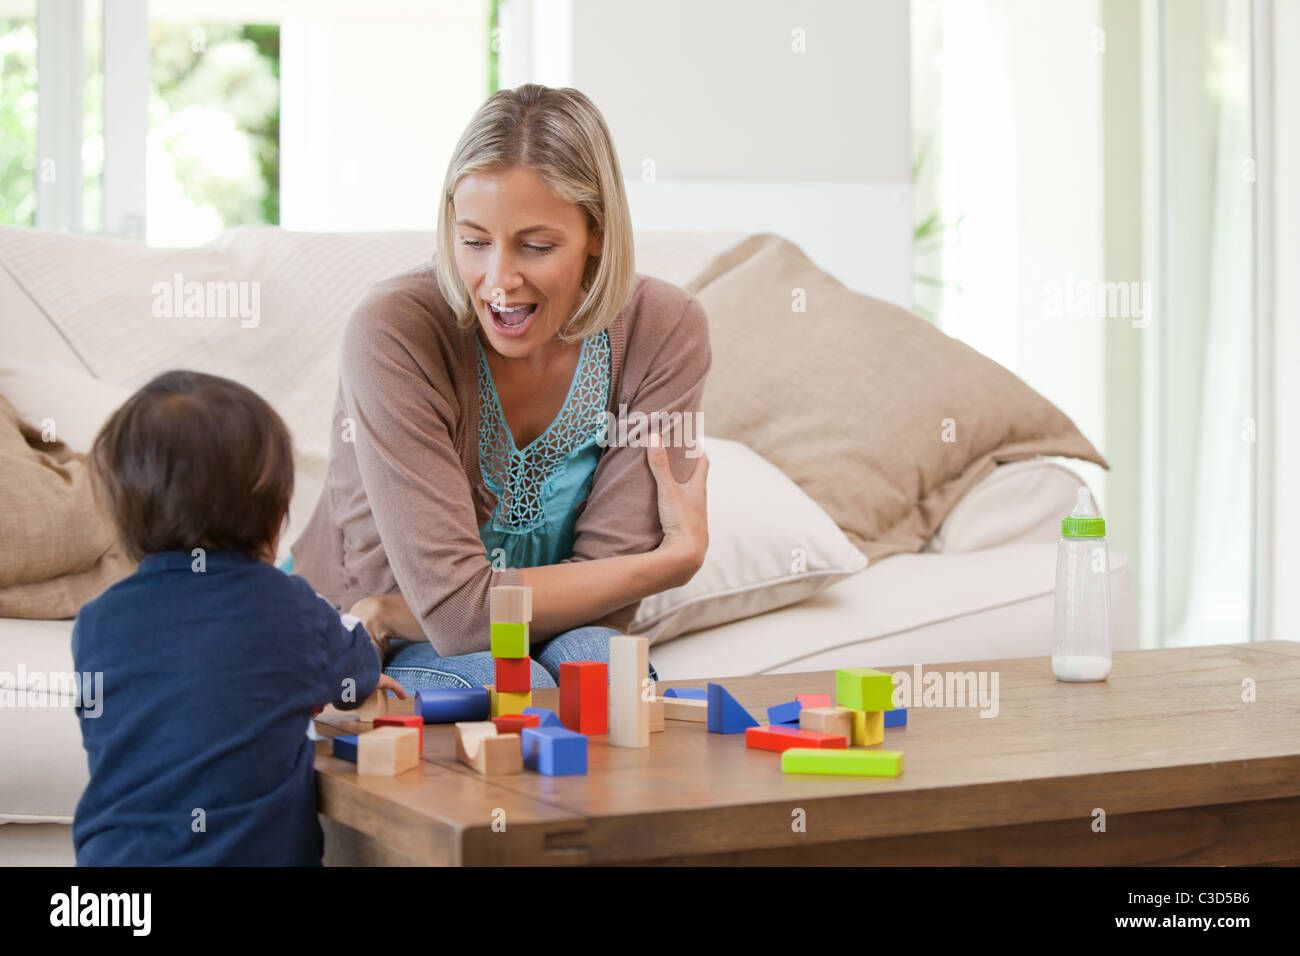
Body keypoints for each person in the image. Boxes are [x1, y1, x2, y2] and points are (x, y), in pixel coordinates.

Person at [291, 83, 711, 691]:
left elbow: (608, 602)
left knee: (602, 665)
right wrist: (671, 562)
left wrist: (486, 603)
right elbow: (458, 619)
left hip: (551, 630)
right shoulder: (394, 329)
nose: (498, 281)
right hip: (381, 636)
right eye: (474, 241)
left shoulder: (666, 328)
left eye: (536, 246)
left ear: (597, 233)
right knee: (518, 689)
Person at [71, 369, 405, 866]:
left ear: (122, 517)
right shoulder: (290, 607)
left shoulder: (96, 624)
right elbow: (353, 667)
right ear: (274, 516)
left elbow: (160, 715)